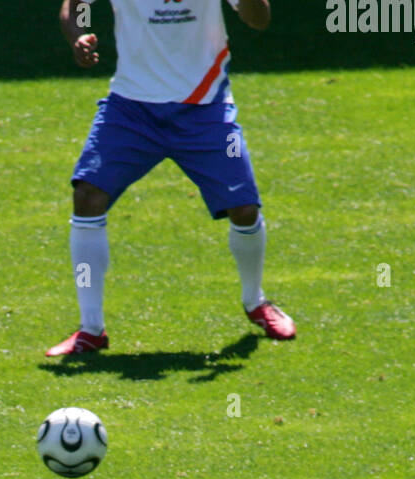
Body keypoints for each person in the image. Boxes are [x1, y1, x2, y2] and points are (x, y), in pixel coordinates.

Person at [47, 0, 294, 356]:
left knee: (243, 209)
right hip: (131, 109)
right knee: (87, 196)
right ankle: (91, 329)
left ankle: (255, 301)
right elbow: (78, 5)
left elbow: (258, 21)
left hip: (205, 108)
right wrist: (79, 34)